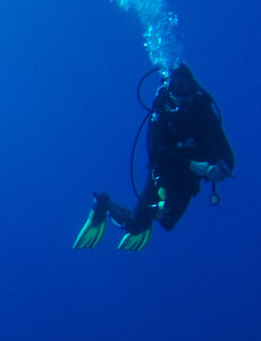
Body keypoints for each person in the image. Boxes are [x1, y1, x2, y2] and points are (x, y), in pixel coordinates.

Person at [73, 63, 234, 251]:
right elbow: (155, 151)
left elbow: (228, 155)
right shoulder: (162, 111)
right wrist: (193, 165)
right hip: (163, 175)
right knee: (134, 226)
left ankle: (155, 212)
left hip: (188, 183)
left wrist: (222, 169)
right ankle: (102, 203)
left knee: (168, 224)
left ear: (193, 87)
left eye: (185, 88)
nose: (181, 96)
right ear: (169, 88)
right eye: (176, 89)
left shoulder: (203, 111)